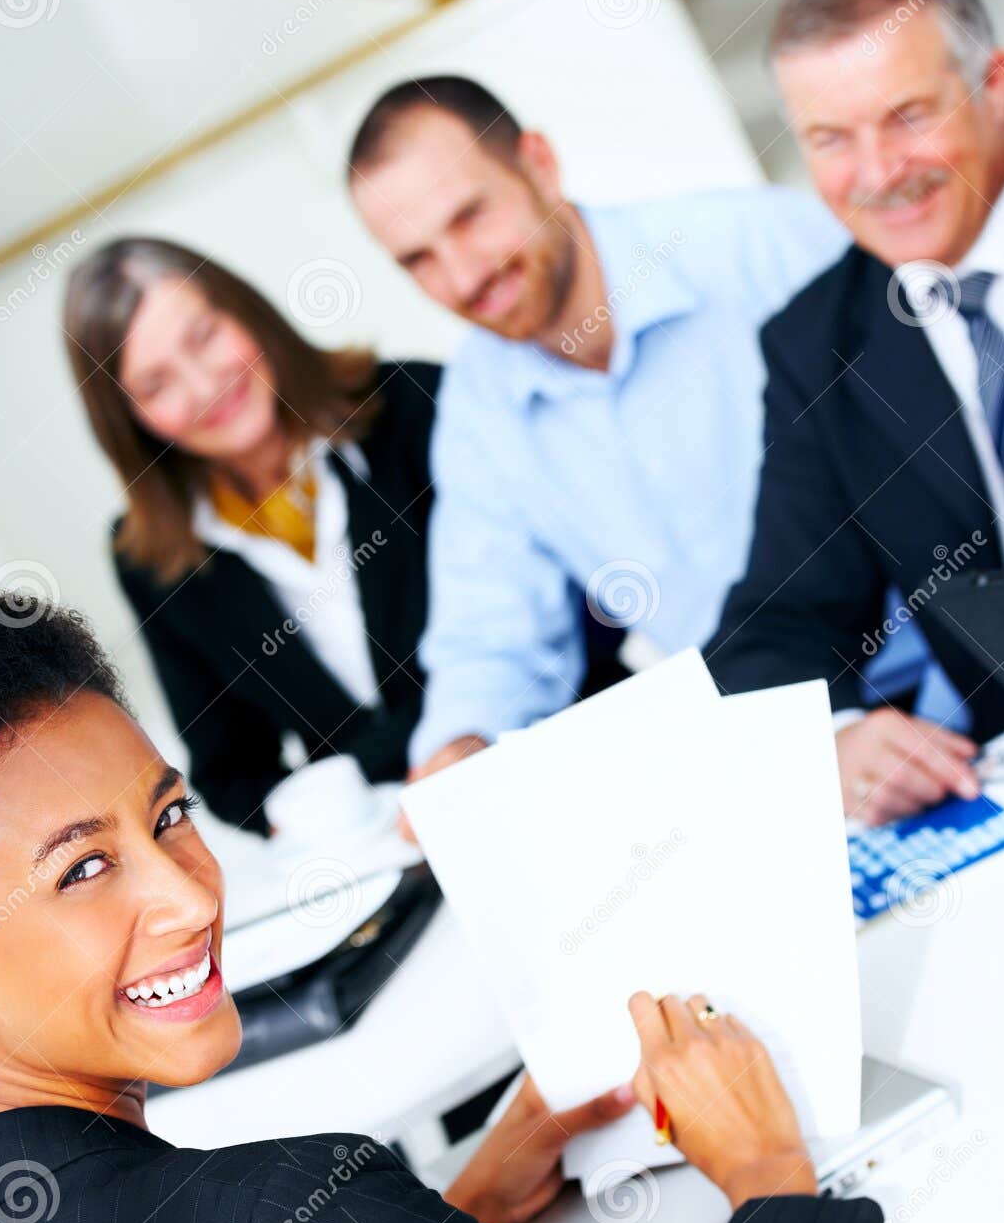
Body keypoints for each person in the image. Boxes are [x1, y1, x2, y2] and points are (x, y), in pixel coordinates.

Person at [0, 592, 1003, 1223]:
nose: (188, 895)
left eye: (170, 815)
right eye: (83, 870)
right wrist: (769, 1172)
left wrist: (460, 1213)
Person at [346, 75, 852, 823]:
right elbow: (491, 629)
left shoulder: (760, 246)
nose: (462, 276)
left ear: (540, 164)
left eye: (470, 217)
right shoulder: (478, 411)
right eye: (417, 258)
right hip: (772, 757)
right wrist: (460, 750)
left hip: (952, 680)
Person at [704, 0, 1004, 827]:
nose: (877, 175)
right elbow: (776, 624)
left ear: (994, 84)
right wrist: (835, 736)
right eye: (831, 138)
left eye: (907, 116)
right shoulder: (816, 344)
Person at [64, 238, 439, 835]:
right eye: (156, 384)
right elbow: (230, 771)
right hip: (376, 844)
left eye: (203, 336)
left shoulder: (418, 406)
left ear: (245, 311)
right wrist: (317, 818)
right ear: (128, 419)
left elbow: (544, 621)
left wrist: (358, 773)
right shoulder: (149, 559)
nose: (204, 386)